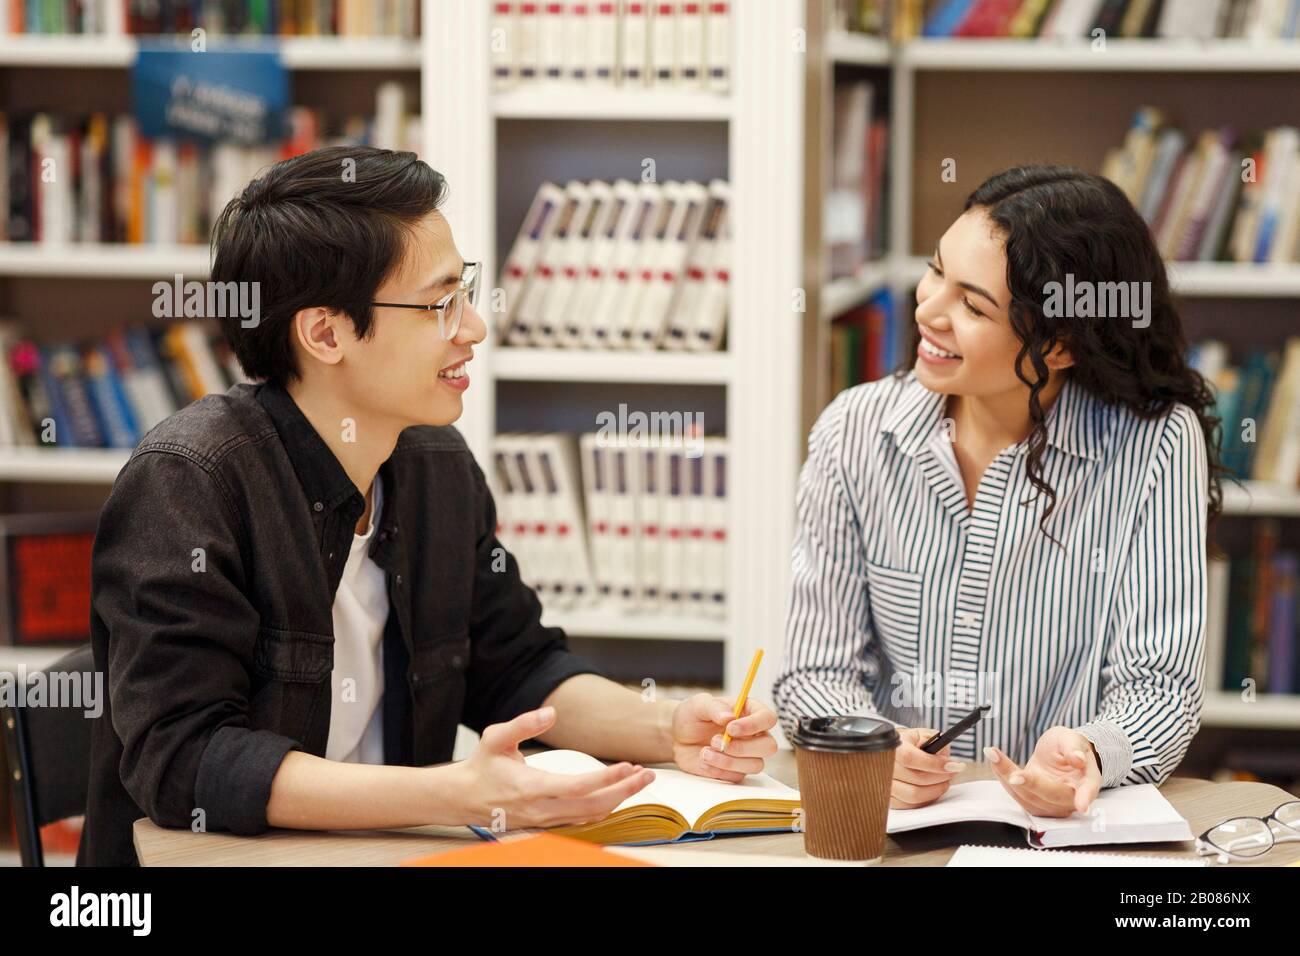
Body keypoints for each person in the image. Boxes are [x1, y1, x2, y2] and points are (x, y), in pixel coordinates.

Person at [79, 146, 776, 866]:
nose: (472, 328)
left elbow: (517, 669)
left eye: (465, 293)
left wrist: (669, 727)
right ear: (325, 333)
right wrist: (457, 794)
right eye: (441, 304)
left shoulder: (434, 466)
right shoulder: (190, 484)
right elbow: (187, 759)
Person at [775, 165, 1220, 819]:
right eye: (935, 272)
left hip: (1061, 835)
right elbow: (813, 671)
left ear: (1061, 342)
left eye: (973, 305)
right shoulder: (856, 431)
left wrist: (1091, 753)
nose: (927, 309)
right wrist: (870, 746)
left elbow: (1160, 684)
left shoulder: (1155, 445)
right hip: (893, 829)